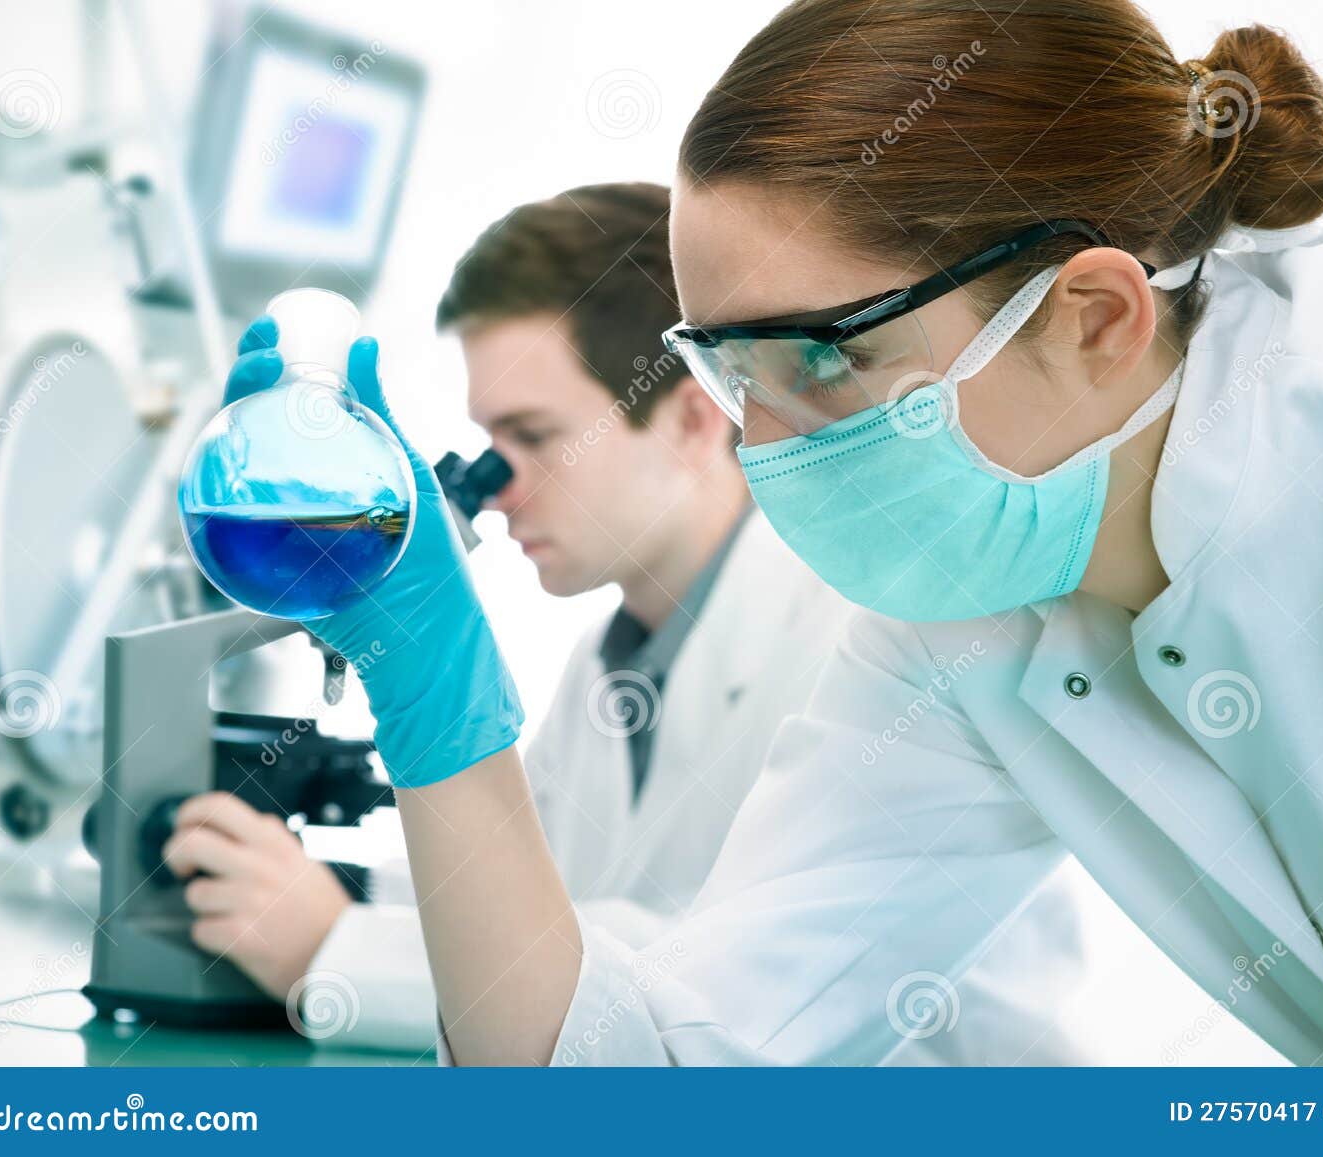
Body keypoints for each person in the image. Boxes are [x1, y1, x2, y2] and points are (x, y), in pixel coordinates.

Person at [183, 0, 1323, 1067]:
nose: (764, 443)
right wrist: (440, 696)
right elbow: (660, 1062)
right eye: (733, 371)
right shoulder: (964, 607)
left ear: (1094, 317)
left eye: (825, 360)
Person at [165, 182, 1094, 1064]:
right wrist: (335, 896)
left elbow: (682, 975)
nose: (497, 490)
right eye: (490, 444)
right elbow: (544, 919)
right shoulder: (611, 669)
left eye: (532, 436)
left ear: (695, 417)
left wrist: (337, 944)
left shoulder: (862, 635)